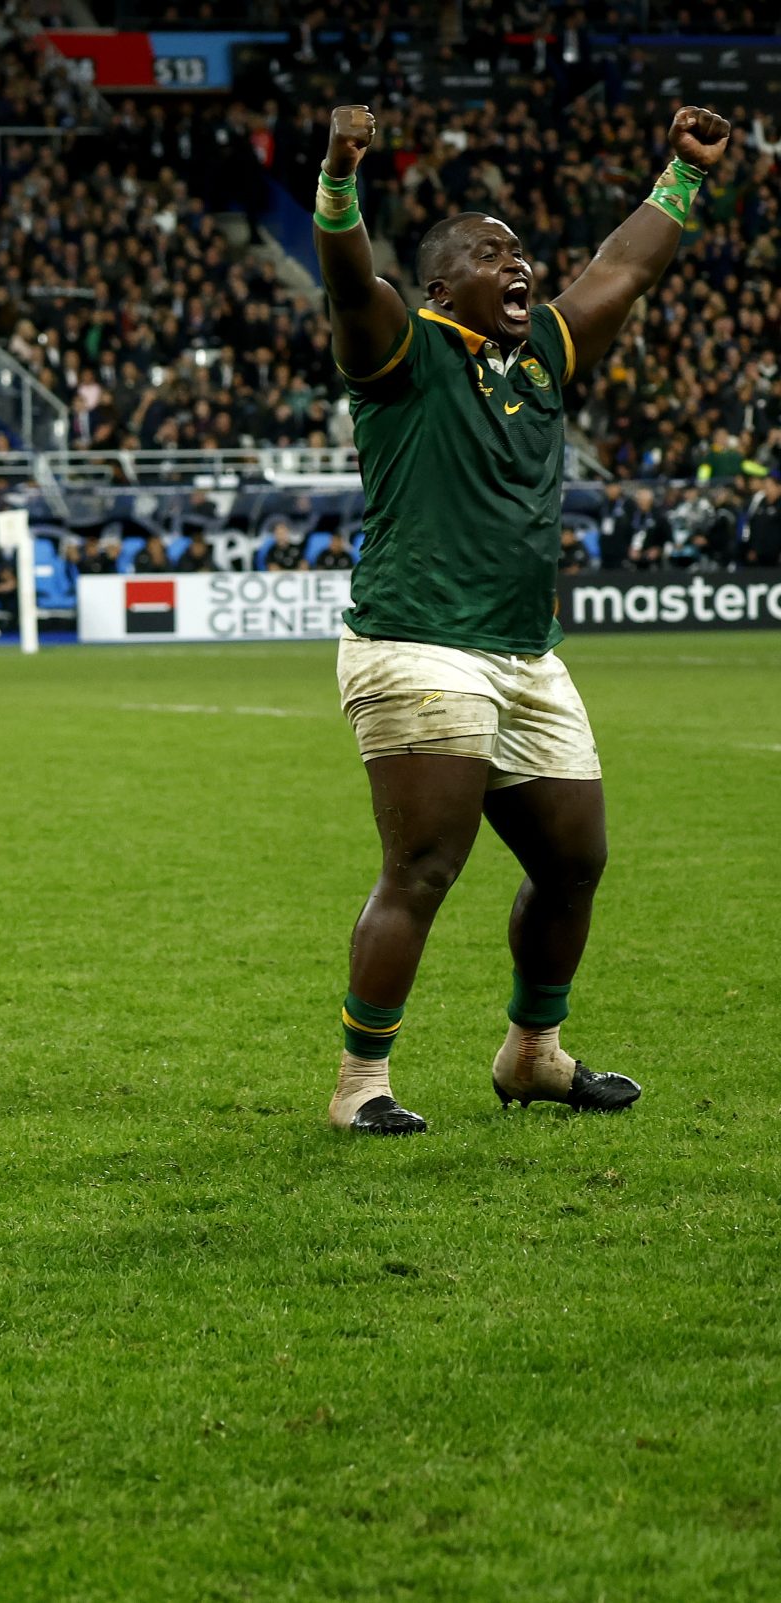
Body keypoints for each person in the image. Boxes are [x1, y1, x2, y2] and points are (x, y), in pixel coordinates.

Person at [309, 103, 728, 1132]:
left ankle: (532, 1053)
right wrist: (337, 181)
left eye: (525, 253)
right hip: (416, 643)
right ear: (442, 284)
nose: (522, 266)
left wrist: (681, 174)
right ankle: (360, 1085)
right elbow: (348, 283)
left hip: (523, 654)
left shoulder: (542, 350)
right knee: (424, 866)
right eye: (495, 255)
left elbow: (621, 272)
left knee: (574, 859)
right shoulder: (399, 351)